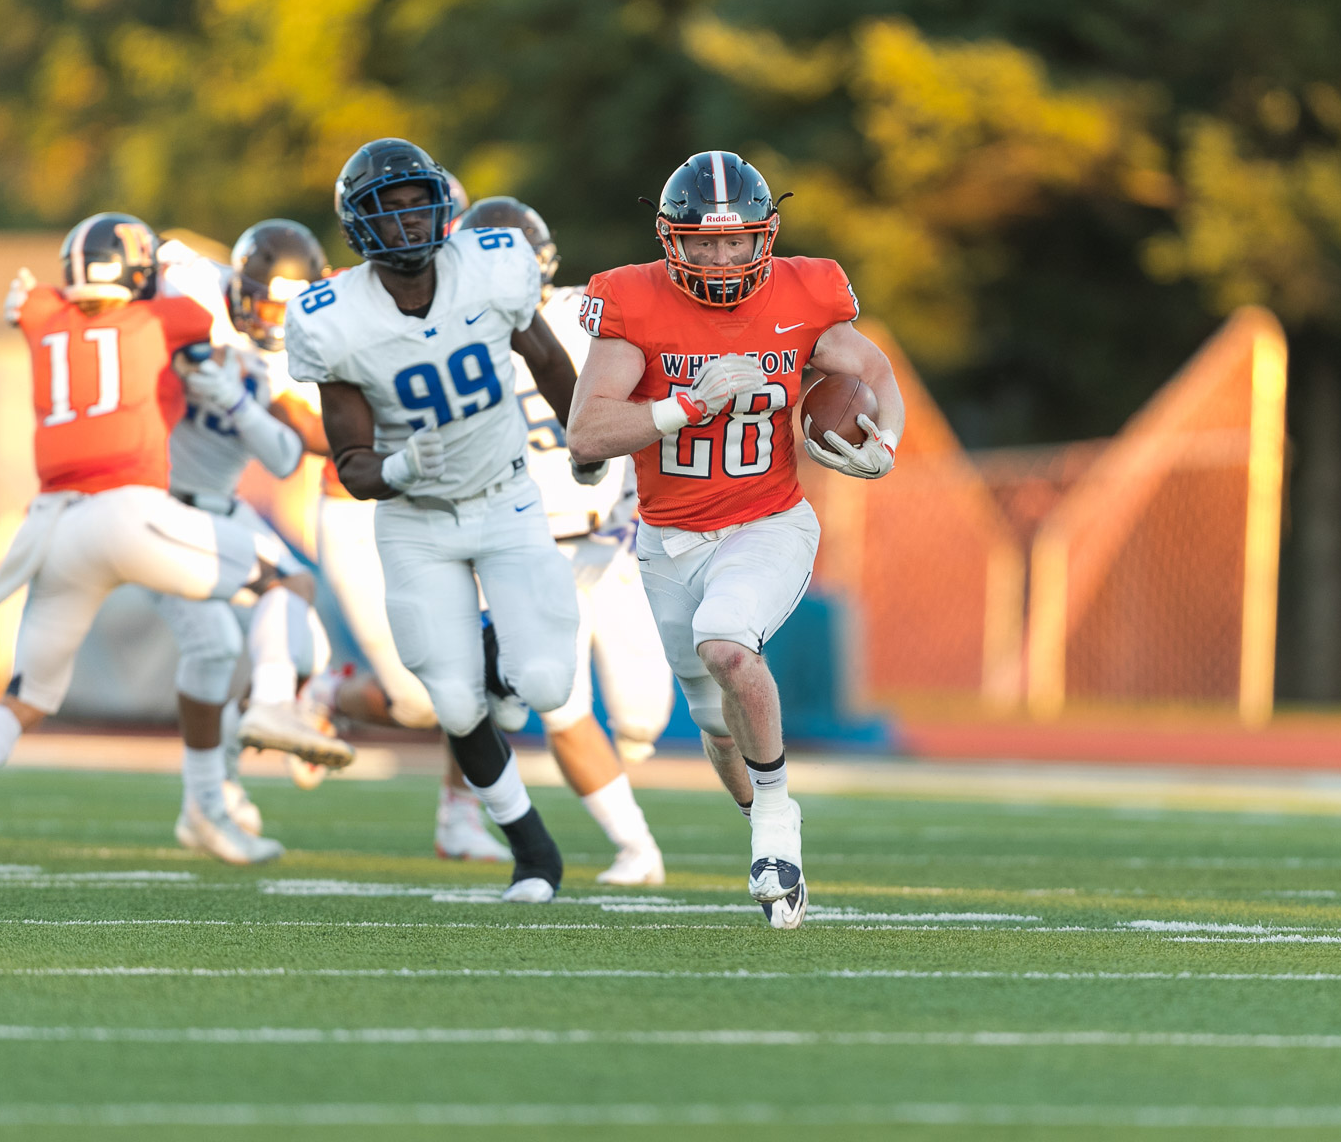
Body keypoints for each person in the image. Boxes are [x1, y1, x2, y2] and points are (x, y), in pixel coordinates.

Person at [567, 151, 906, 929]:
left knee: (727, 645)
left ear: (767, 237)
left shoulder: (807, 289)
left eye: (737, 242)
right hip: (669, 538)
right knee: (715, 725)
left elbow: (873, 370)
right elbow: (586, 430)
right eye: (703, 243)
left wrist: (884, 443)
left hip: (768, 520)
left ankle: (779, 823)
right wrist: (681, 408)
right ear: (669, 239)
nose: (721, 259)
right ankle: (761, 813)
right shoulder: (629, 299)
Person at [0, 214, 287, 866]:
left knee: (27, 698)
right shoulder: (159, 318)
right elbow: (209, 316)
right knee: (287, 580)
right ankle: (281, 713)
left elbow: (29, 300)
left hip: (54, 522)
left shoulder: (42, 313)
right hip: (133, 512)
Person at [284, 138, 587, 902]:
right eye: (388, 208)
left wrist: (587, 444)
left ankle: (493, 647)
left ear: (441, 204)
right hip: (416, 521)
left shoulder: (490, 266)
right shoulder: (335, 318)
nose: (407, 220)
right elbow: (352, 465)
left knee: (545, 685)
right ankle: (532, 850)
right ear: (359, 225)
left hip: (508, 498)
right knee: (448, 702)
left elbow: (550, 363)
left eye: (417, 201)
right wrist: (398, 469)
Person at [455, 195, 670, 886]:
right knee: (565, 705)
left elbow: (652, 411)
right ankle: (637, 849)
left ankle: (611, 757)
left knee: (642, 720)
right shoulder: (450, 336)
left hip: (617, 542)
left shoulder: (592, 315)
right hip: (529, 553)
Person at [151, 221, 357, 838]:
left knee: (306, 648)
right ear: (241, 287)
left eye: (288, 307)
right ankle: (226, 772)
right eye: (265, 302)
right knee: (265, 606)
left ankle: (225, 777)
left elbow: (291, 450)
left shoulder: (296, 358)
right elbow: (160, 252)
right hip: (154, 499)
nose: (273, 319)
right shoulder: (195, 288)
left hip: (219, 502)